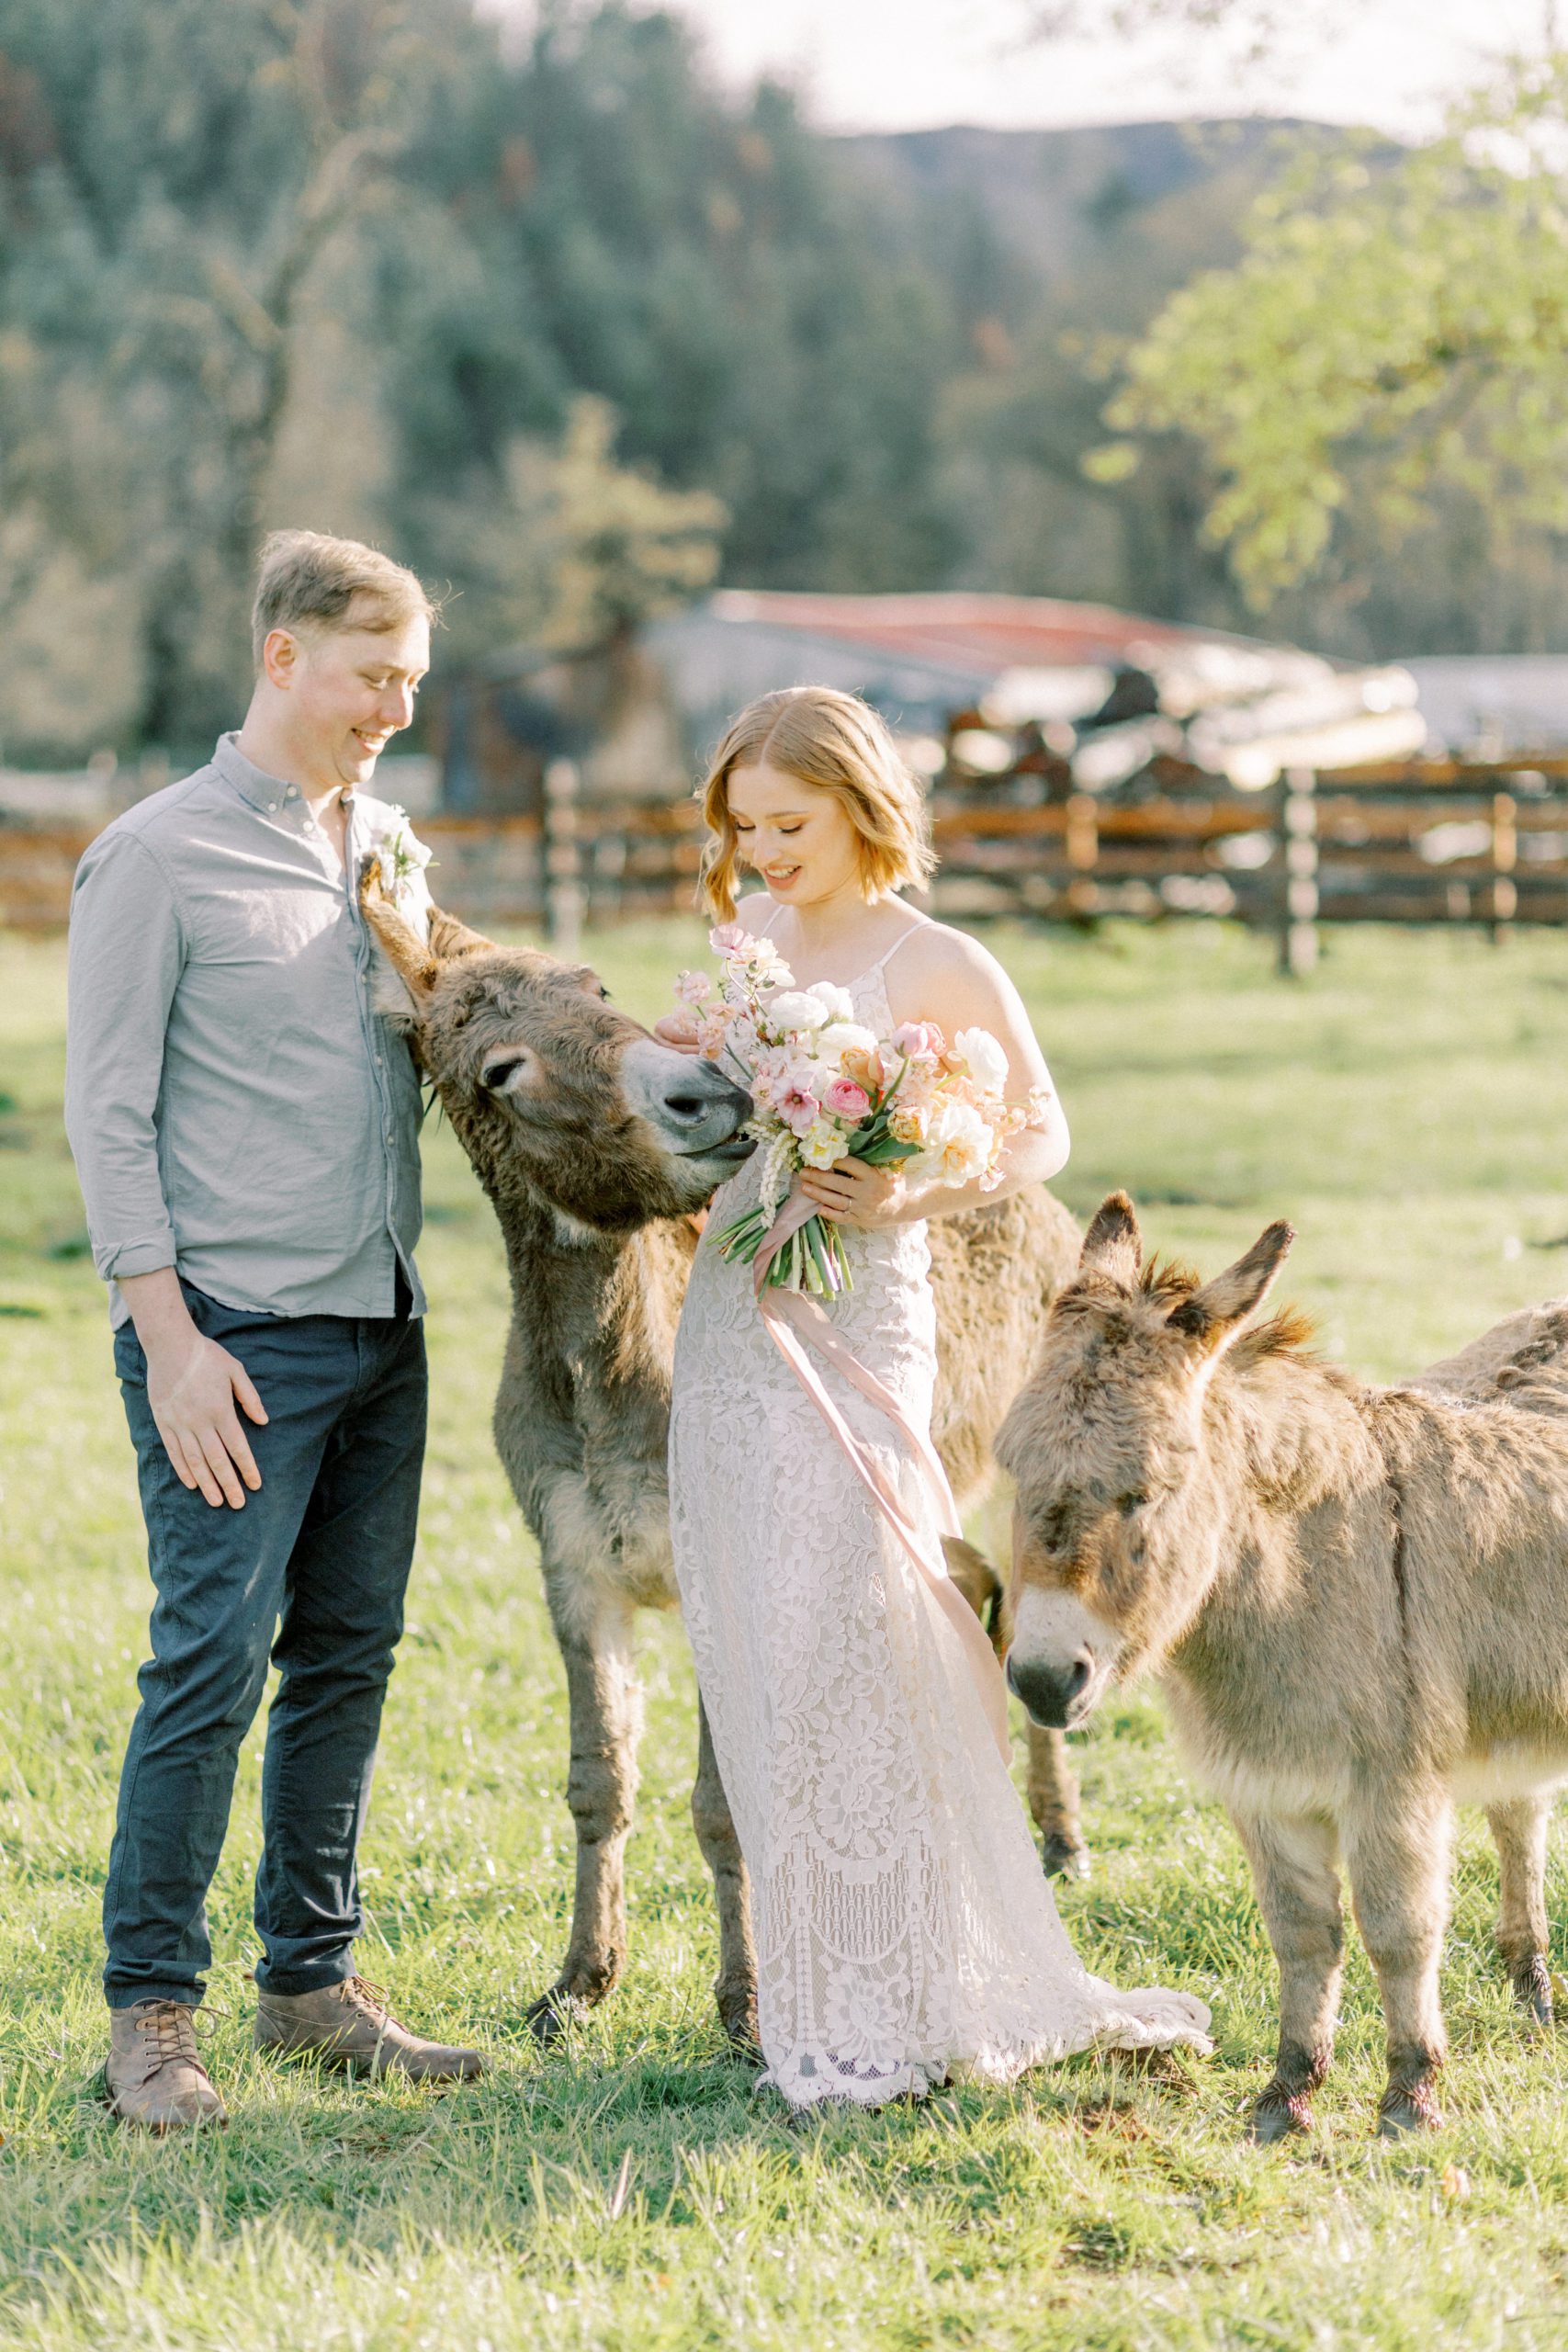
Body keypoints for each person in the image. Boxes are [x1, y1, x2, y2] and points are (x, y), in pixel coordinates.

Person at [658, 685, 1211, 2109]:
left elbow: (1040, 1130)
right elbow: (678, 1080)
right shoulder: (752, 946)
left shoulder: (934, 956)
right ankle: (820, 1977)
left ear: (858, 803)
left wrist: (909, 1187)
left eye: (787, 823)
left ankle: (914, 1982)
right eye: (745, 829)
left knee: (867, 1626)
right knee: (766, 1641)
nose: (765, 851)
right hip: (734, 1315)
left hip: (859, 1314)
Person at [64, 530, 485, 2132]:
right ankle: (149, 2025)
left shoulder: (387, 843)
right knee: (209, 1666)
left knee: (351, 1663)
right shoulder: (154, 857)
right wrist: (169, 1340)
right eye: (376, 675)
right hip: (234, 1336)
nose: (396, 705)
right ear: (285, 654)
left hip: (386, 1321)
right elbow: (105, 1116)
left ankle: (312, 1986)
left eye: (415, 681)